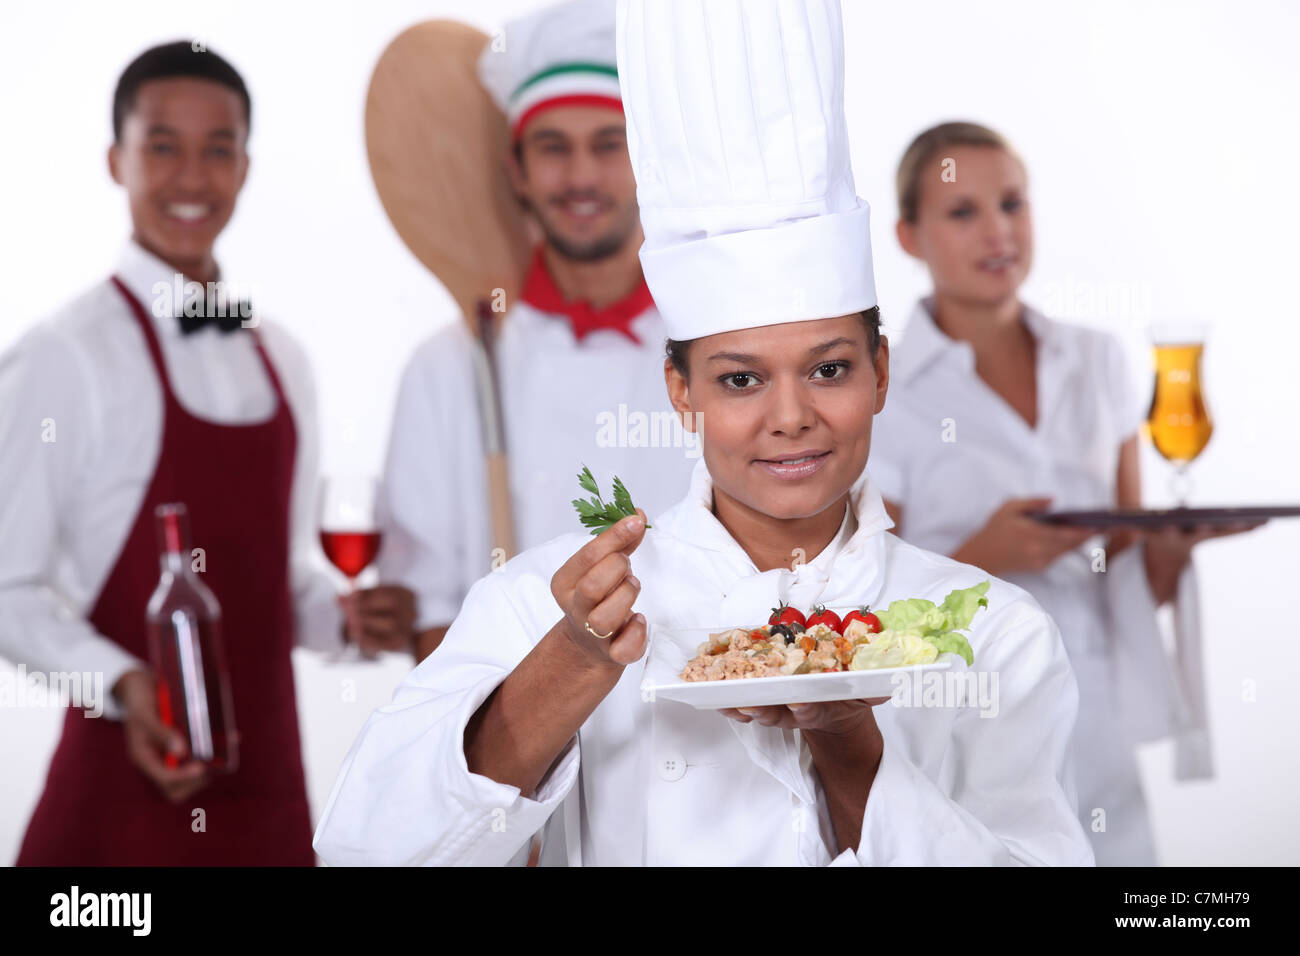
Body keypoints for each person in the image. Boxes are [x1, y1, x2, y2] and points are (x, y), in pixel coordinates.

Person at [312, 0, 1093, 866]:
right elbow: (364, 850)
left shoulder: (991, 634)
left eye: (830, 368)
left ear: (880, 372)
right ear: (680, 391)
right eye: (740, 379)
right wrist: (563, 669)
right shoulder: (548, 600)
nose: (790, 415)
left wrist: (847, 744)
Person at [0, 41, 413, 865]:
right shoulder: (62, 355)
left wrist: (344, 616)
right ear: (117, 160)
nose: (192, 178)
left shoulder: (282, 357)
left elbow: (279, 574)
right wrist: (119, 683)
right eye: (163, 146)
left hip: (268, 801)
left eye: (216, 149)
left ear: (245, 167)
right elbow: (6, 588)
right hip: (117, 810)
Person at [871, 121, 1262, 865]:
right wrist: (986, 555)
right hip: (967, 717)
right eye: (963, 212)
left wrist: (1170, 551)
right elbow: (876, 618)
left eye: (1013, 204)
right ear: (909, 235)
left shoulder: (1097, 362)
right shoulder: (885, 393)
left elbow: (1124, 570)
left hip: (1095, 712)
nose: (998, 232)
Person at [379, 0, 697, 665]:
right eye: (554, 148)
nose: (581, 177)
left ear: (646, 159)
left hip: (699, 731)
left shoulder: (717, 352)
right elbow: (429, 615)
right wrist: (511, 741)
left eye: (607, 145)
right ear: (517, 170)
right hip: (519, 744)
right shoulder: (450, 369)